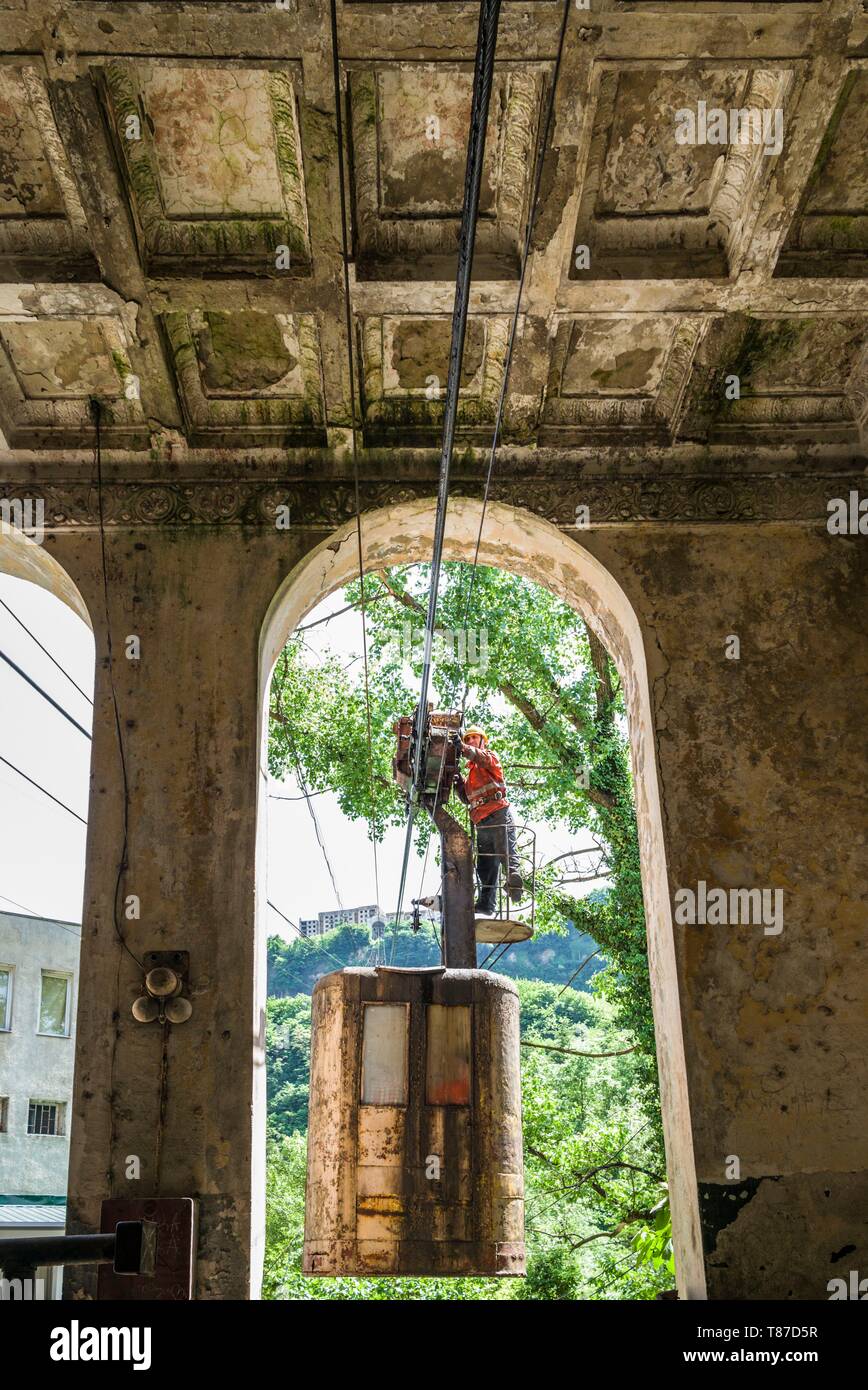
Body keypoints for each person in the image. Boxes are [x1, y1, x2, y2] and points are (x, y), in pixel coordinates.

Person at [455, 726, 523, 916]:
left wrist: (462, 748)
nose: (470, 742)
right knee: (486, 866)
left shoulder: (490, 758)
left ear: (483, 741)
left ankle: (513, 882)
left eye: (473, 738)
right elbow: (467, 798)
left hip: (498, 812)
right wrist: (458, 781)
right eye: (467, 739)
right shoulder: (471, 775)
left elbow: (481, 757)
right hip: (481, 821)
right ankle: (486, 904)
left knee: (506, 852)